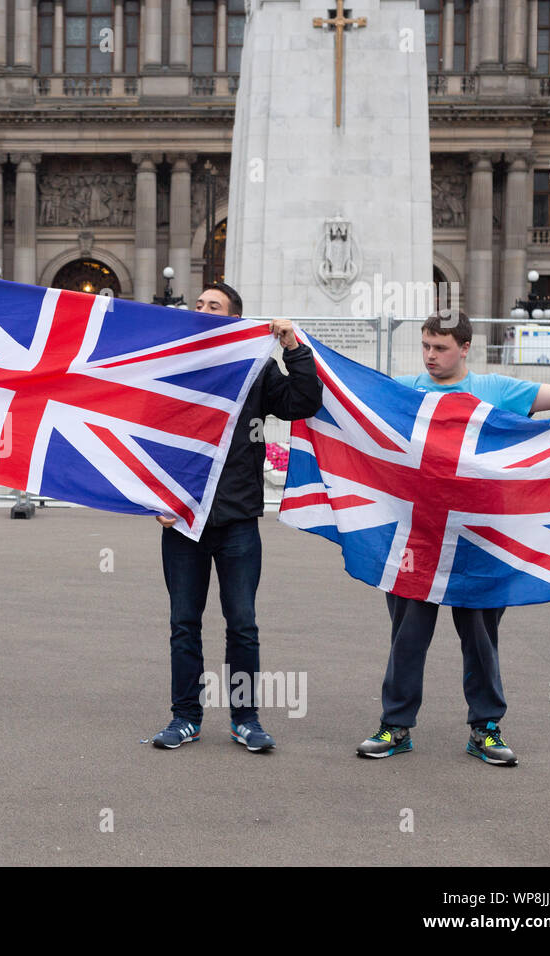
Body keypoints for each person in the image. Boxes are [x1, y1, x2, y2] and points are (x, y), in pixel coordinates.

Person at [357, 310, 550, 766]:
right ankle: (395, 726)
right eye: (426, 347)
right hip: (418, 540)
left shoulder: (496, 390)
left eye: (441, 348)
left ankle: (486, 728)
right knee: (407, 637)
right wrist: (299, 350)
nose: (431, 357)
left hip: (480, 538)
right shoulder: (405, 391)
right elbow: (347, 397)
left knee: (480, 638)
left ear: (465, 348)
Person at [151, 281, 322, 752]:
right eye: (199, 303)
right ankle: (185, 716)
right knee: (184, 623)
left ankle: (245, 720)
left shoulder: (255, 366)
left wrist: (293, 348)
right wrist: (158, 498)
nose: (202, 308)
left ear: (233, 319)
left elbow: (302, 402)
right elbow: (149, 434)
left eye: (214, 305)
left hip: (239, 518)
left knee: (242, 623)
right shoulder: (174, 366)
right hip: (184, 519)